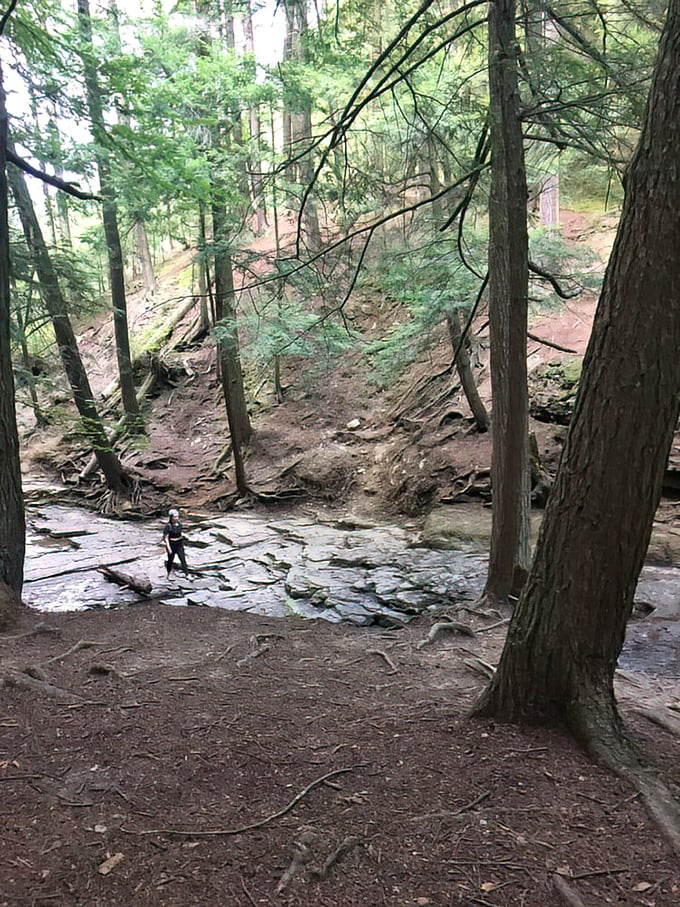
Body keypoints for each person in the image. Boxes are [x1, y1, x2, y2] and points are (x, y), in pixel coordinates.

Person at [163, 508, 189, 579]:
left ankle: (187, 574)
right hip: (172, 544)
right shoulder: (168, 526)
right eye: (175, 517)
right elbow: (165, 538)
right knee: (170, 560)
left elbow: (180, 532)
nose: (176, 518)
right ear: (171, 517)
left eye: (177, 516)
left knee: (183, 559)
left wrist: (185, 536)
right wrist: (169, 548)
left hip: (179, 544)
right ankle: (168, 573)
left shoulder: (179, 524)